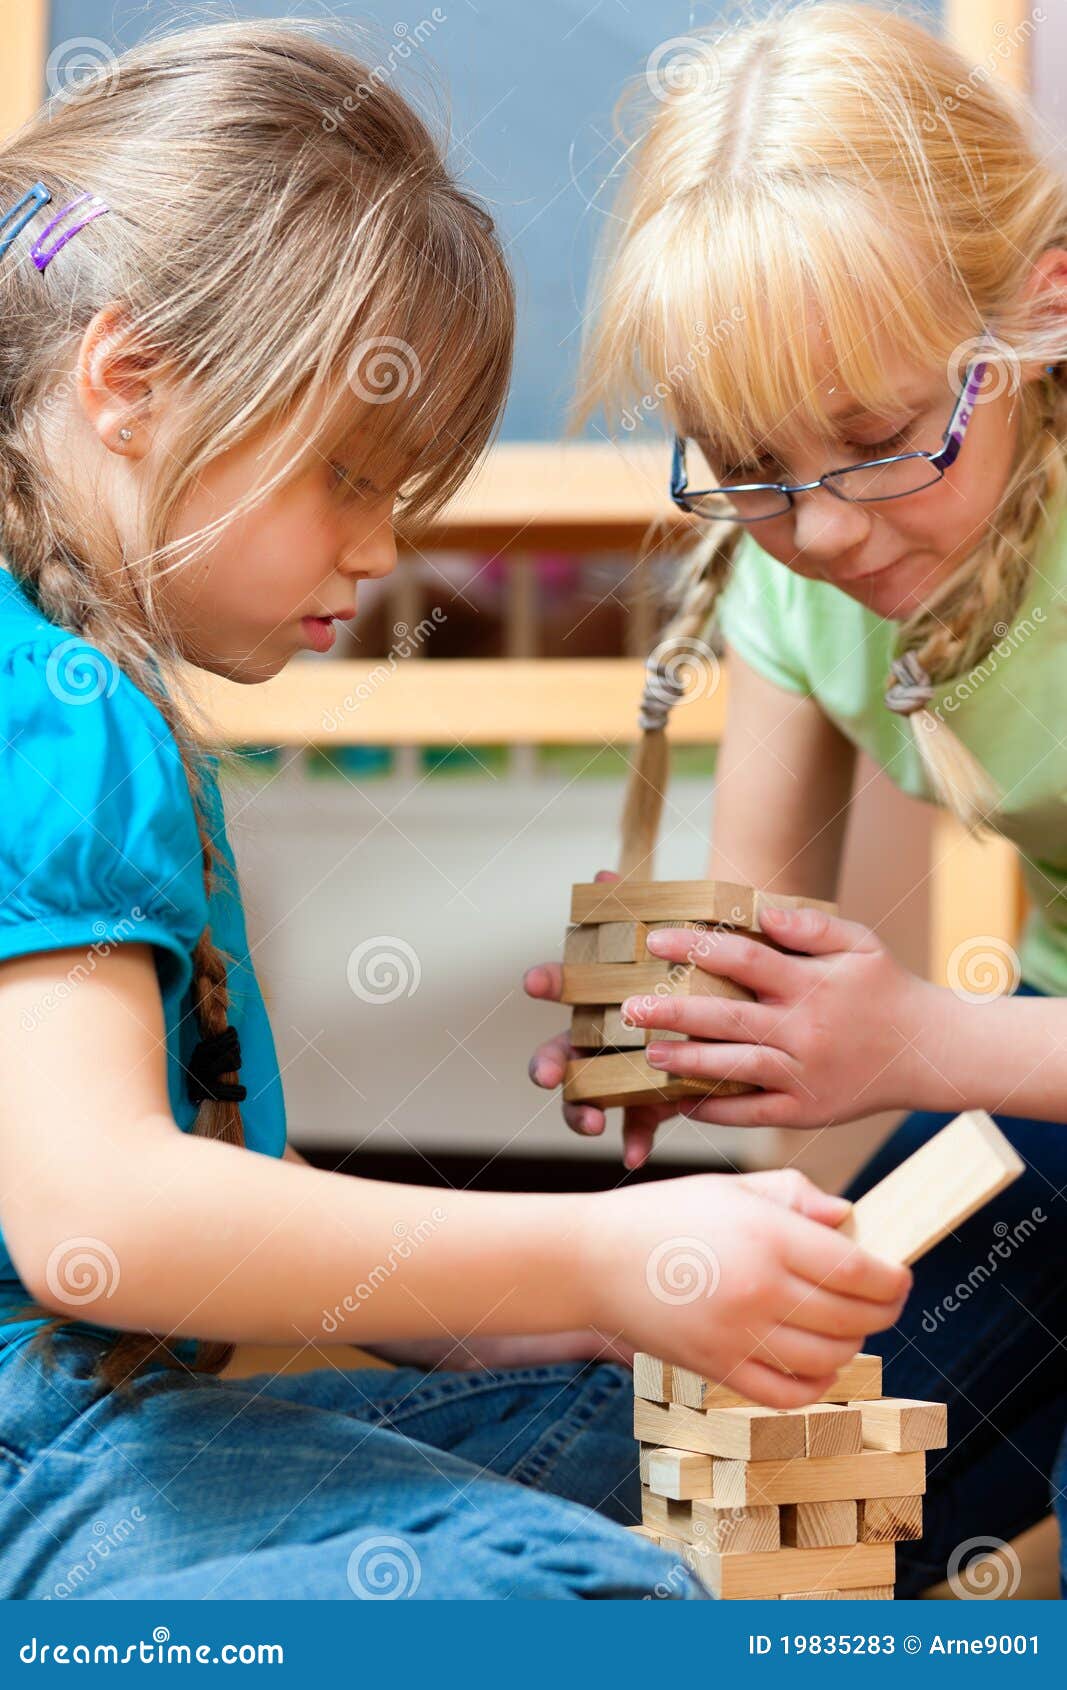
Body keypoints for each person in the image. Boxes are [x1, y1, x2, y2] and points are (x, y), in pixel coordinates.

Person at [0, 18, 908, 1601]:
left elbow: (193, 1215)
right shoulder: (69, 718)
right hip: (50, 1456)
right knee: (601, 1591)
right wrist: (594, 1255)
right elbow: (102, 1214)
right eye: (349, 476)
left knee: (629, 1424)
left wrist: (571, 1296)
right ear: (128, 381)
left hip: (92, 1434)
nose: (379, 552)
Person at [526, 2, 1067, 1597]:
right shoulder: (801, 567)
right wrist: (689, 1030)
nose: (821, 530)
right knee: (771, 1475)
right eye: (751, 464)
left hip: (1013, 1054)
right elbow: (754, 925)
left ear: (1043, 310)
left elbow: (915, 1037)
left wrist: (921, 1040)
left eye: (881, 442)